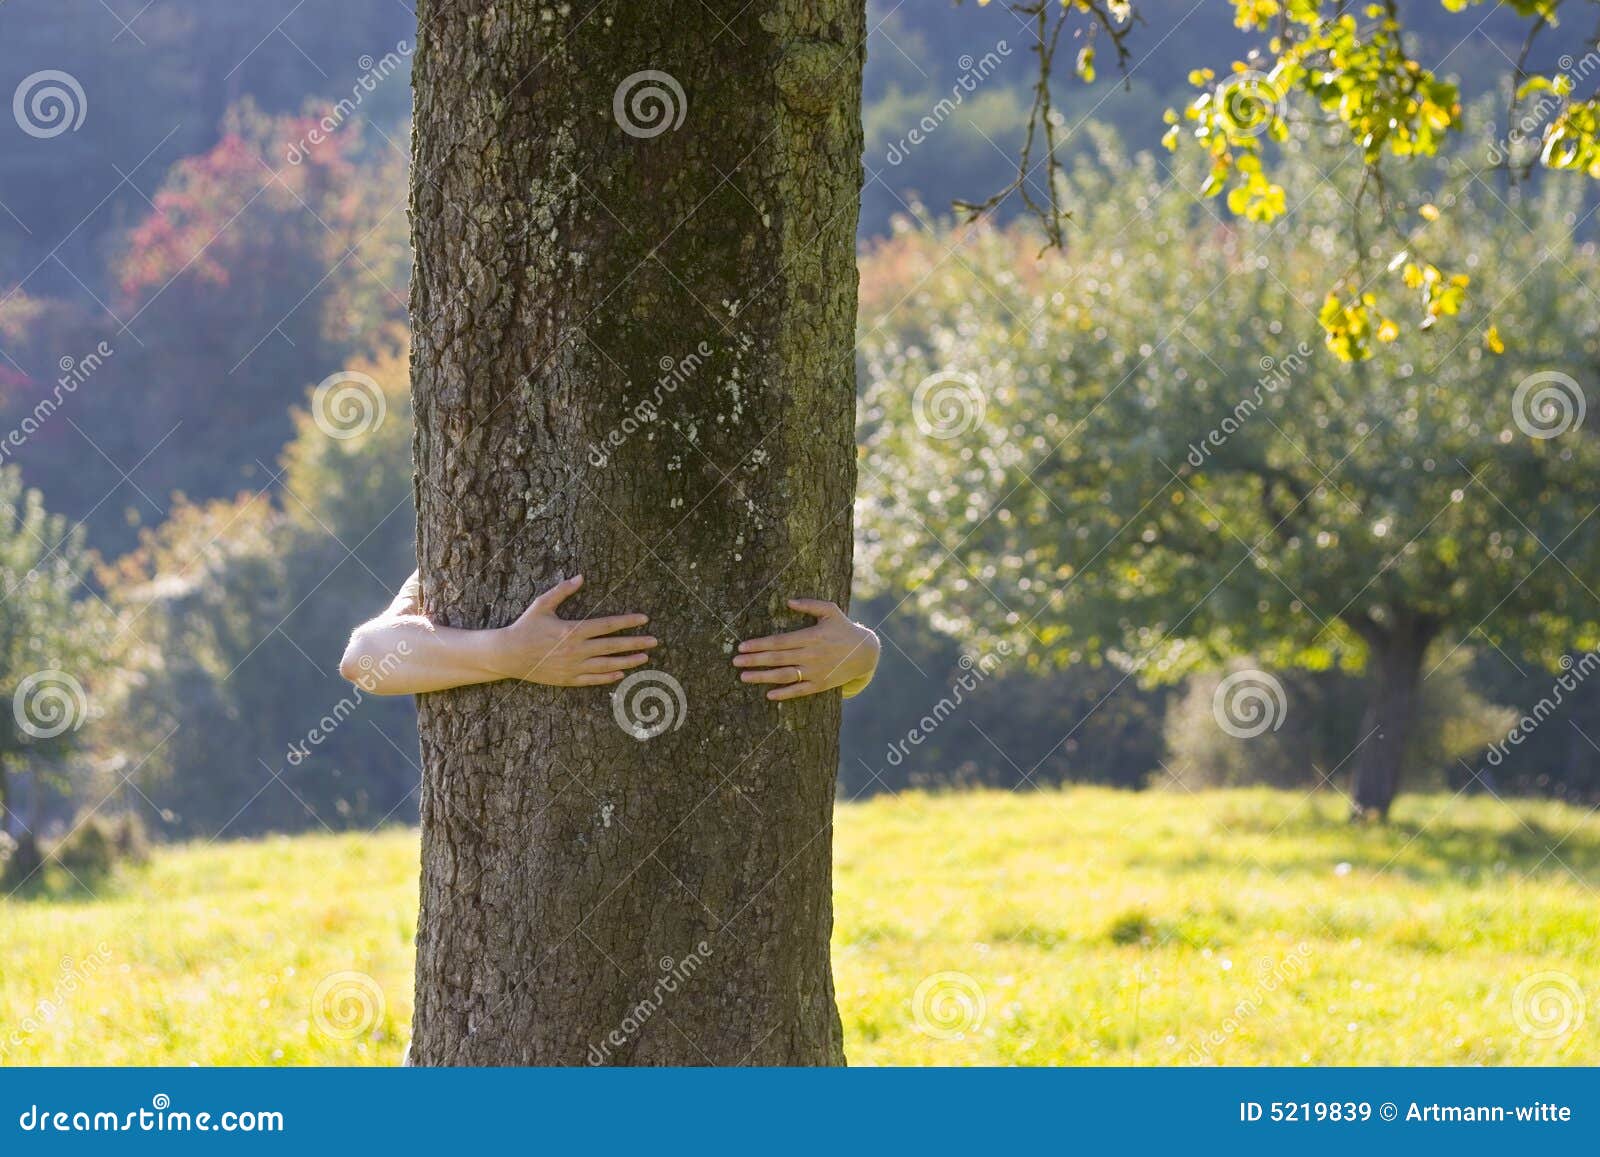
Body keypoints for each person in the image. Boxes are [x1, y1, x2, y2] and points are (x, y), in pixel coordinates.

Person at [340, 571, 880, 700]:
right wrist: (507, 652)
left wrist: (863, 651)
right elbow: (365, 659)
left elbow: (848, 661)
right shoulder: (470, 551)